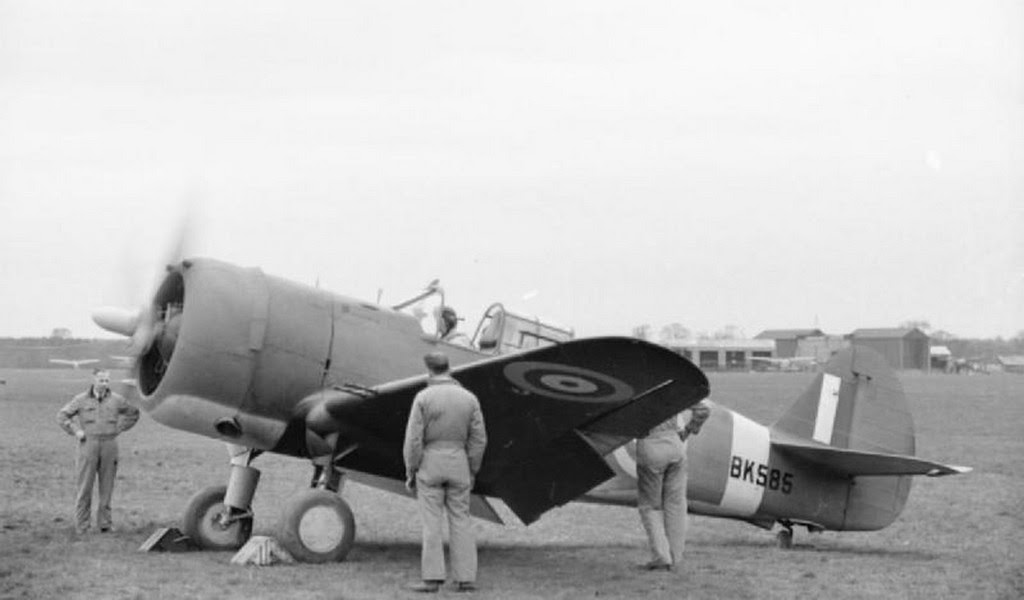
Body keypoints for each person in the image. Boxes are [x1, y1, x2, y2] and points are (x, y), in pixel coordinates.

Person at [403, 351, 487, 593]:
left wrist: (411, 468)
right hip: (459, 463)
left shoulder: (422, 398)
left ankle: (432, 579)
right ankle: (466, 579)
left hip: (430, 464)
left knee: (431, 523)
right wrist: (471, 469)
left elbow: (413, 440)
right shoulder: (470, 399)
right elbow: (479, 440)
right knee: (461, 520)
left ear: (429, 370)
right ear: (449, 368)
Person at [57, 368, 140, 534]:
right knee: (85, 487)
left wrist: (120, 428)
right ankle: (82, 525)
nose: (104, 384)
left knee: (107, 487)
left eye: (107, 381)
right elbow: (62, 416)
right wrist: (76, 431)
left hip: (109, 444)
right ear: (94, 380)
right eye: (101, 380)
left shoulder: (117, 400)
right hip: (88, 444)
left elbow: (133, 413)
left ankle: (105, 524)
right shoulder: (80, 400)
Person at [635, 399, 711, 571]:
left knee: (650, 507)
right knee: (676, 504)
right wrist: (689, 429)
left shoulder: (638, 385)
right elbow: (704, 409)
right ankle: (676, 558)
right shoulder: (672, 384)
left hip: (650, 445)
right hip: (675, 445)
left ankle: (662, 556)